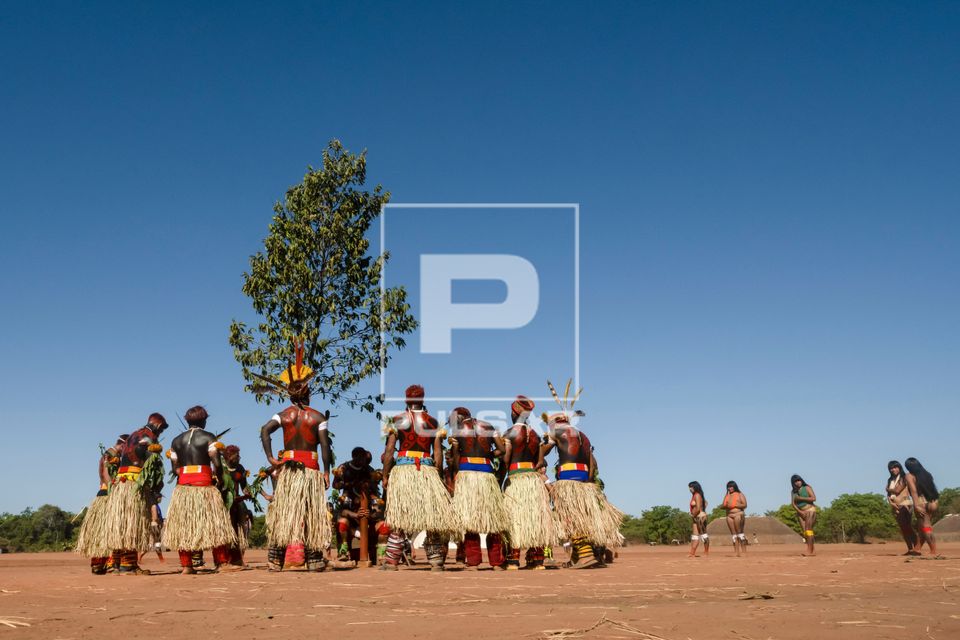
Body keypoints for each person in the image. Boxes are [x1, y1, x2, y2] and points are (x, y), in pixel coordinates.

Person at [258, 348, 333, 572]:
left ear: (290, 395)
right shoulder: (318, 417)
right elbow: (325, 446)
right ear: (308, 393)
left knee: (285, 513)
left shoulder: (282, 415)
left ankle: (275, 560)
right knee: (311, 513)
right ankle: (315, 560)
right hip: (310, 469)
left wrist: (271, 457)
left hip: (289, 471)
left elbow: (264, 431)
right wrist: (327, 471)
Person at [538, 383, 622, 569]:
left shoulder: (557, 430)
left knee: (572, 519)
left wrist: (545, 442)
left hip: (569, 480)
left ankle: (585, 556)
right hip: (585, 481)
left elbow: (542, 454)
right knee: (585, 518)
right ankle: (580, 558)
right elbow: (593, 462)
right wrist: (590, 481)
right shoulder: (584, 436)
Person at [381, 384, 459, 571]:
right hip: (426, 469)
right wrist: (438, 476)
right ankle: (436, 561)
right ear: (422, 400)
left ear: (406, 400)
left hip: (403, 470)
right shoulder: (433, 423)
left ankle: (392, 561)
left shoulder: (397, 420)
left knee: (400, 515)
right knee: (432, 516)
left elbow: (390, 451)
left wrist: (385, 475)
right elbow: (438, 455)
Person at [162, 406, 238, 574]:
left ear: (188, 421)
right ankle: (222, 563)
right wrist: (218, 479)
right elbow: (217, 464)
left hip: (183, 488)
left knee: (184, 526)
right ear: (203, 420)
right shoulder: (208, 437)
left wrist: (187, 473)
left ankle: (187, 565)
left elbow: (175, 468)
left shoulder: (176, 441)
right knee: (215, 525)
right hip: (204, 486)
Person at [104, 414, 168, 574]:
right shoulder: (150, 437)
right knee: (132, 524)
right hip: (133, 485)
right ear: (158, 426)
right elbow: (151, 467)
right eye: (161, 430)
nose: (160, 434)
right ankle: (129, 565)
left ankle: (117, 565)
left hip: (121, 484)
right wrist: (155, 488)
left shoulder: (133, 435)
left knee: (123, 524)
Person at [448, 407, 509, 570]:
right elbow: (502, 450)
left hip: (466, 474)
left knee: (470, 519)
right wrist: (487, 455)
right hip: (486, 474)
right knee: (493, 520)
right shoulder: (489, 427)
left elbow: (455, 459)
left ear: (460, 418)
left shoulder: (458, 431)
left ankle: (474, 562)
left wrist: (455, 463)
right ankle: (496, 563)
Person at [501, 396, 559, 570]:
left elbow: (506, 459)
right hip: (533, 481)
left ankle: (513, 561)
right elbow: (540, 461)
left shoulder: (510, 433)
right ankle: (538, 560)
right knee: (535, 519)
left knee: (515, 519)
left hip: (516, 480)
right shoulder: (534, 435)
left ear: (513, 412)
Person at [75, 435, 125, 574]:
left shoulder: (109, 455)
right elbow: (106, 473)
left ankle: (99, 564)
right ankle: (105, 562)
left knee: (100, 531)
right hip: (107, 495)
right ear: (122, 445)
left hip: (104, 493)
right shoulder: (110, 454)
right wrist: (113, 489)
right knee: (106, 530)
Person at [331, 447, 381, 565]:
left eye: (364, 459)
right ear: (353, 457)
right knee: (342, 523)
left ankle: (378, 555)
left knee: (383, 525)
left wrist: (371, 514)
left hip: (367, 512)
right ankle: (343, 553)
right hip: (350, 509)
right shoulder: (343, 468)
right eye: (359, 458)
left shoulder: (369, 470)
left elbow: (377, 503)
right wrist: (348, 484)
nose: (362, 461)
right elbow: (335, 485)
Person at [222, 445, 253, 567]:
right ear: (229, 456)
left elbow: (244, 485)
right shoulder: (221, 467)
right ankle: (224, 559)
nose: (239, 458)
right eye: (237, 456)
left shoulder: (240, 468)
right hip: (224, 503)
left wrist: (247, 492)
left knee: (240, 530)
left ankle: (237, 559)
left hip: (238, 502)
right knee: (226, 531)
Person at [905, 457, 940, 555]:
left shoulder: (909, 476)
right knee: (922, 527)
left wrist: (916, 505)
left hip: (921, 502)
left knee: (926, 528)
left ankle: (933, 551)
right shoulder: (927, 474)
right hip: (933, 502)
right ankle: (917, 548)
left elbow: (914, 491)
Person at [886, 460, 918, 555]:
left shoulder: (904, 477)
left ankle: (917, 547)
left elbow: (897, 490)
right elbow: (888, 495)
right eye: (891, 468)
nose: (893, 469)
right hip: (895, 505)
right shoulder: (890, 480)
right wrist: (890, 503)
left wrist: (887, 489)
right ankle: (910, 549)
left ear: (899, 467)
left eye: (895, 467)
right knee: (903, 528)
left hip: (905, 504)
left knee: (908, 527)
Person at [791, 475, 817, 556]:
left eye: (799, 480)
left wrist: (801, 498)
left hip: (810, 510)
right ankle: (811, 548)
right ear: (793, 483)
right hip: (800, 512)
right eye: (796, 481)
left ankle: (809, 551)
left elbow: (813, 498)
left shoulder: (807, 487)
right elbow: (793, 503)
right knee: (805, 532)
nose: (798, 482)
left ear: (802, 480)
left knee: (808, 529)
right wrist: (800, 512)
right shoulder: (793, 492)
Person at [722, 481, 747, 557]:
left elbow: (745, 505)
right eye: (728, 487)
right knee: (733, 535)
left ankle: (744, 552)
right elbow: (723, 505)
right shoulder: (727, 496)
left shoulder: (740, 494)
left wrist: (735, 505)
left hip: (738, 514)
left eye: (731, 486)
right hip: (729, 516)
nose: (730, 488)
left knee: (740, 533)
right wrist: (725, 506)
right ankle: (736, 551)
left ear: (735, 487)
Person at [687, 481, 709, 558]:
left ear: (695, 487)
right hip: (696, 517)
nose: (689, 489)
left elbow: (699, 508)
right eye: (689, 487)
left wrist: (694, 514)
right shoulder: (695, 495)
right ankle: (692, 553)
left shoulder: (697, 495)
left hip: (700, 517)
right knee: (695, 536)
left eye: (691, 487)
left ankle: (706, 552)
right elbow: (706, 503)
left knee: (703, 534)